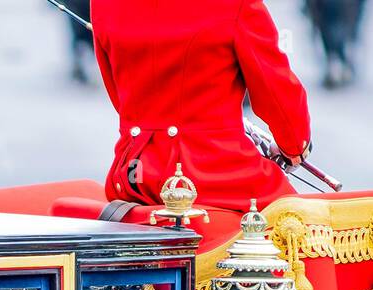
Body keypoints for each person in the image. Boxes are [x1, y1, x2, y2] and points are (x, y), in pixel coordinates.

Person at [90, 0, 312, 213]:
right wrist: (293, 147)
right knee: (300, 227)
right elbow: (275, 89)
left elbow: (119, 95)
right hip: (216, 174)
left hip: (134, 176)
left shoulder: (102, 3)